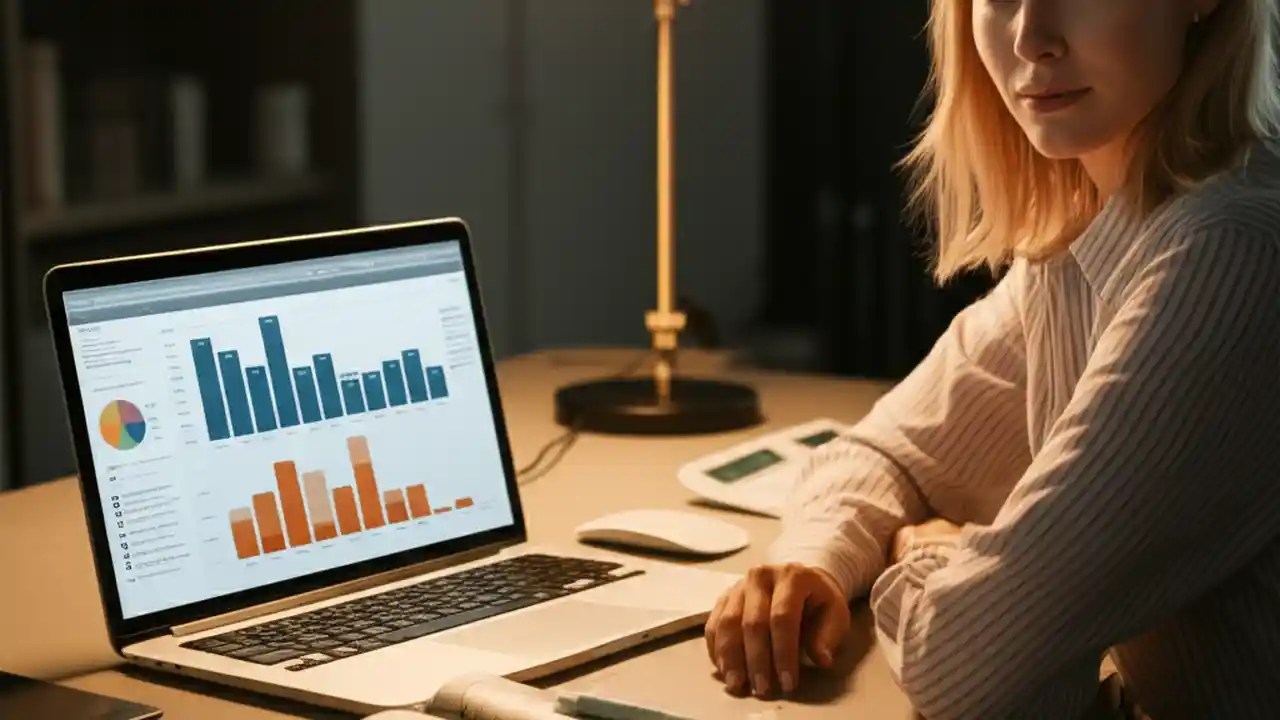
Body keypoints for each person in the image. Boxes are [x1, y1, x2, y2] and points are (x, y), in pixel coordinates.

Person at [703, 0, 1280, 717]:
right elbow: (890, 453)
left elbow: (965, 665)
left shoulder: (1234, 253)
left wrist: (925, 550)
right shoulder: (1096, 232)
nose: (1030, 38)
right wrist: (812, 557)